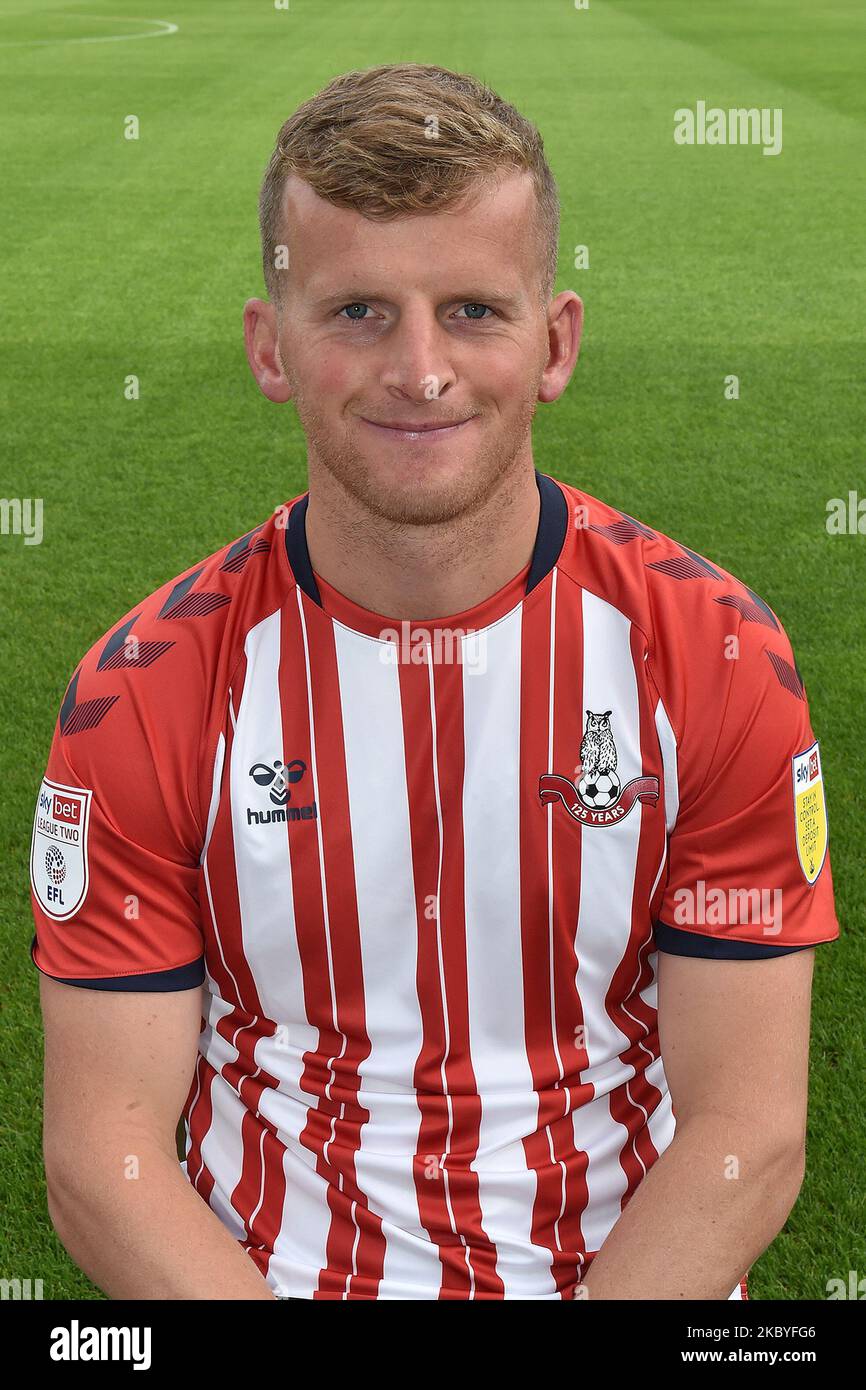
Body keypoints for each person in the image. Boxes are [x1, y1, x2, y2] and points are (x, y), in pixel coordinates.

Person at [30, 62, 839, 1301]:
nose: (420, 370)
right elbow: (102, 1154)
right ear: (270, 345)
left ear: (554, 341)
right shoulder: (145, 687)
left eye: (471, 309)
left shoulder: (713, 652)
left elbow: (747, 1128)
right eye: (357, 311)